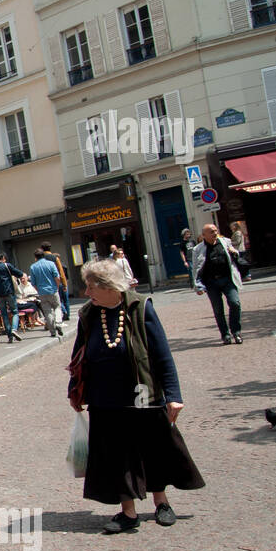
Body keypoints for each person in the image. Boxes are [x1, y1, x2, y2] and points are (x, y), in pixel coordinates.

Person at [68, 259, 204, 533]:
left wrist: (173, 395)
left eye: (91, 286)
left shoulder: (140, 308)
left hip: (143, 394)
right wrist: (75, 389)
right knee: (116, 456)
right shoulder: (88, 315)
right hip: (104, 399)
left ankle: (161, 502)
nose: (86, 292)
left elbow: (162, 355)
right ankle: (127, 512)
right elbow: (78, 356)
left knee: (152, 450)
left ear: (108, 287)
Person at [191, 223, 243, 344]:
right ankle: (225, 335)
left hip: (228, 279)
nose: (215, 233)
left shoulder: (226, 242)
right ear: (204, 235)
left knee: (235, 303)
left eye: (215, 230)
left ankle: (236, 332)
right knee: (218, 309)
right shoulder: (197, 249)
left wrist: (233, 252)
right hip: (211, 282)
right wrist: (197, 286)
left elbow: (237, 254)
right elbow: (195, 269)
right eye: (211, 232)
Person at [0, 253, 25, 343]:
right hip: (9, 292)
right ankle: (14, 329)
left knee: (4, 314)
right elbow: (19, 274)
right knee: (15, 312)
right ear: (4, 258)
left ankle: (10, 336)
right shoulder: (6, 266)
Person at [30, 251, 63, 339]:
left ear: (35, 257)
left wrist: (39, 290)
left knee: (47, 311)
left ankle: (52, 331)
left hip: (42, 292)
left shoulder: (33, 267)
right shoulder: (51, 264)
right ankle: (58, 322)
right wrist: (57, 287)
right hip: (53, 289)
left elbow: (33, 282)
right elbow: (57, 277)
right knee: (57, 307)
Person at [40, 241, 70, 319]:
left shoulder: (41, 259)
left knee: (49, 305)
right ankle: (64, 315)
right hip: (57, 282)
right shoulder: (55, 258)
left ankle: (52, 319)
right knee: (58, 302)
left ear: (42, 249)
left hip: (46, 284)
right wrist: (64, 284)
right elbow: (61, 272)